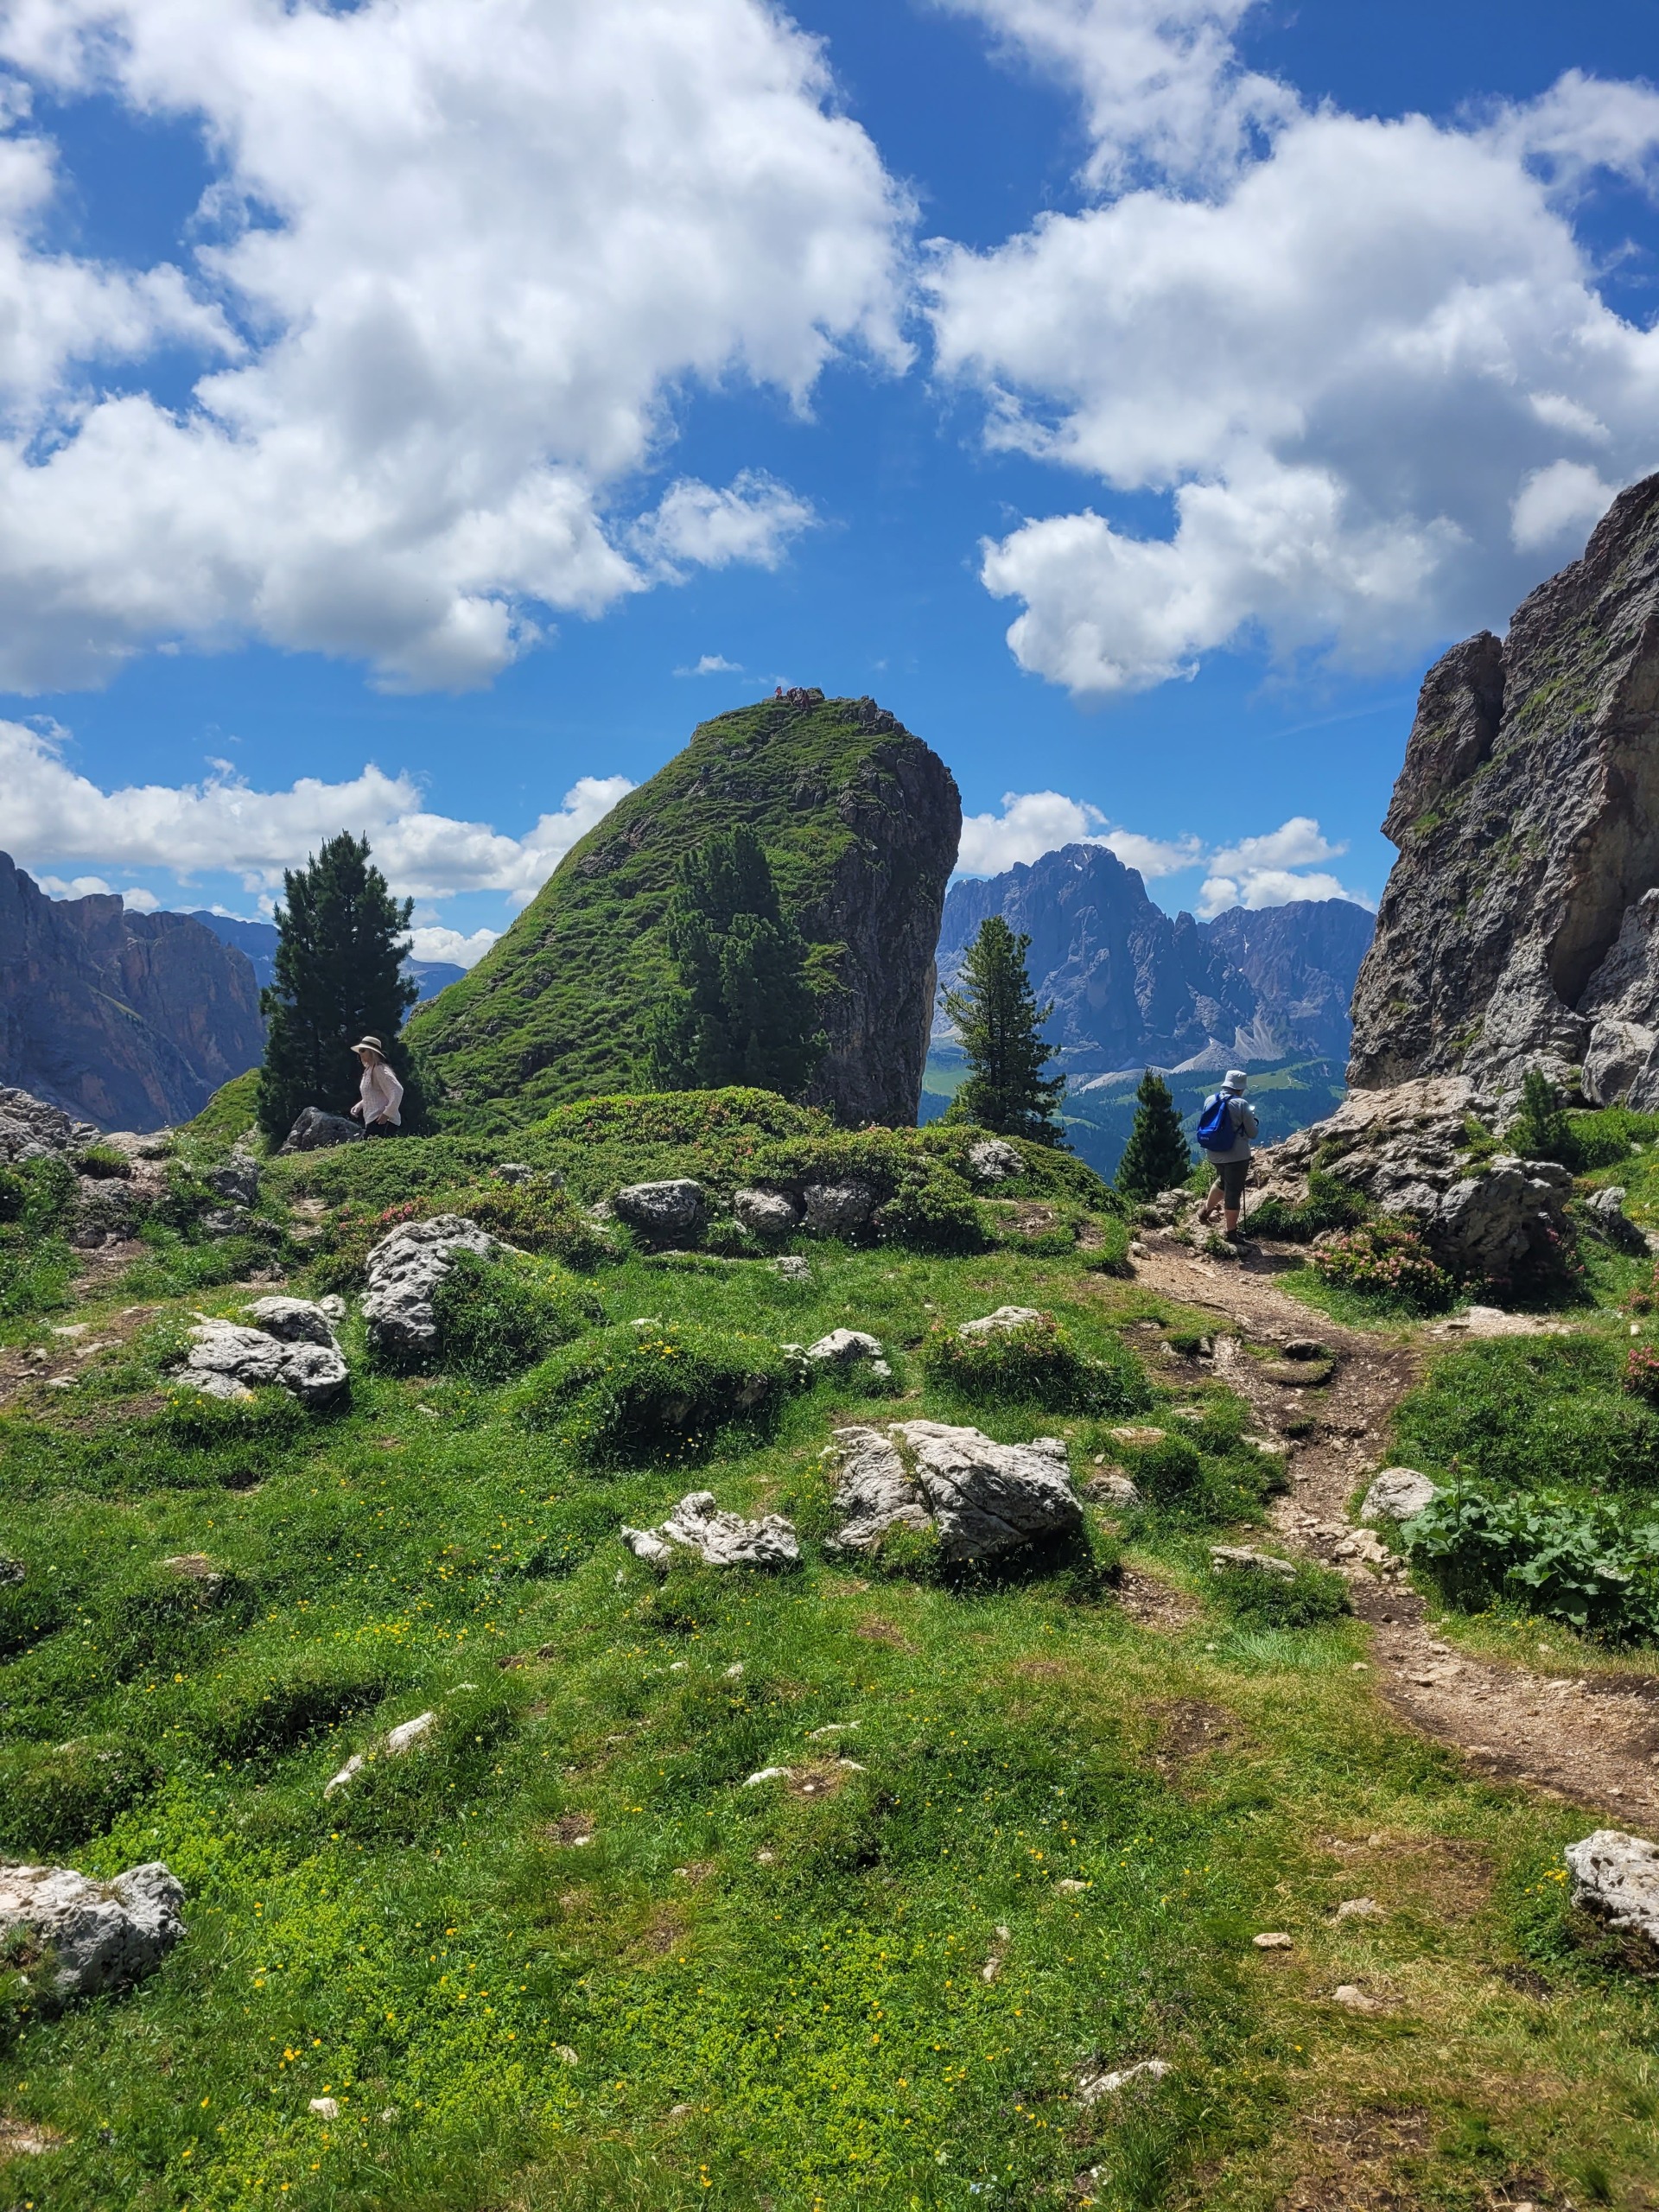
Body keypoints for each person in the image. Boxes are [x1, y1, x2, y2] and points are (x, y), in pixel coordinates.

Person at [1195, 1068, 1257, 1239]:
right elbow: (1252, 1133)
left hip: (1214, 1152)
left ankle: (1205, 1211)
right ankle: (1231, 1232)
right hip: (1237, 1156)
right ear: (1240, 1088)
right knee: (1233, 1191)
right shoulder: (1241, 1104)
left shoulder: (1210, 1099)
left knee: (1222, 1181)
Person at [347, 1035, 404, 1137]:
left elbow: (397, 1090)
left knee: (367, 1149)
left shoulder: (380, 1069)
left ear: (372, 1052)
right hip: (374, 1119)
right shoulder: (368, 1070)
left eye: (363, 1050)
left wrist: (387, 1113)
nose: (360, 1054)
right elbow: (374, 1094)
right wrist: (360, 1105)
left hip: (382, 1120)